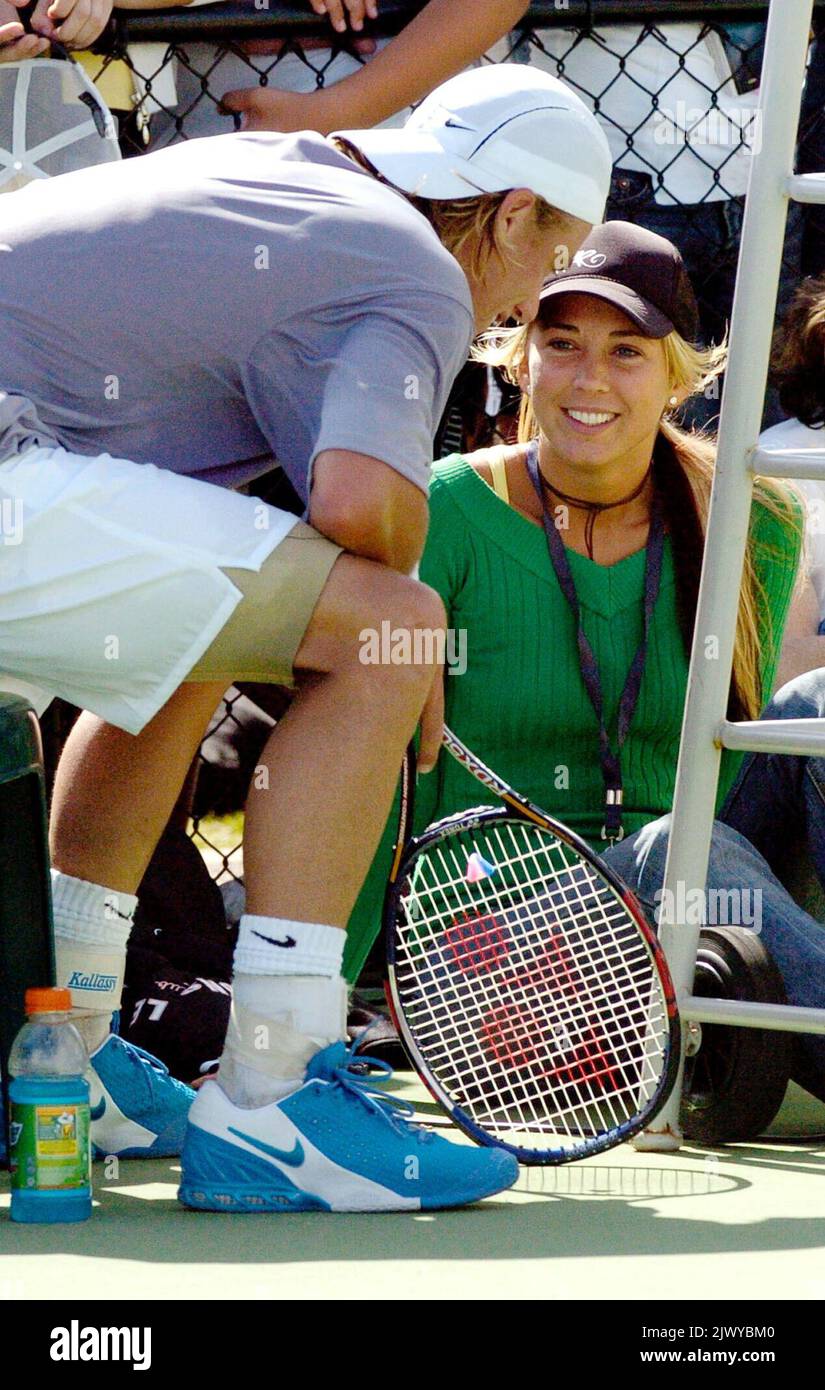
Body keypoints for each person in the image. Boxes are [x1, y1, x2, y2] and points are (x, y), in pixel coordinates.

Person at [0, 65, 612, 1212]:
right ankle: (277, 1090)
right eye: (547, 261)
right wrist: (406, 633)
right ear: (514, 211)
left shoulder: (282, 176)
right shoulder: (414, 261)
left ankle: (66, 1048)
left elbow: (265, 542)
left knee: (197, 626)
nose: (526, 307)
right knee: (390, 621)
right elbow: (358, 509)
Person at [343, 221, 825, 1095]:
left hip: (690, 888)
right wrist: (330, 992)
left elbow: (746, 752)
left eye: (627, 352)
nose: (588, 378)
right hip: (498, 924)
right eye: (560, 345)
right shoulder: (445, 508)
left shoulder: (752, 517)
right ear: (520, 360)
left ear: (679, 374)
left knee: (815, 703)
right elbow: (366, 761)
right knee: (677, 843)